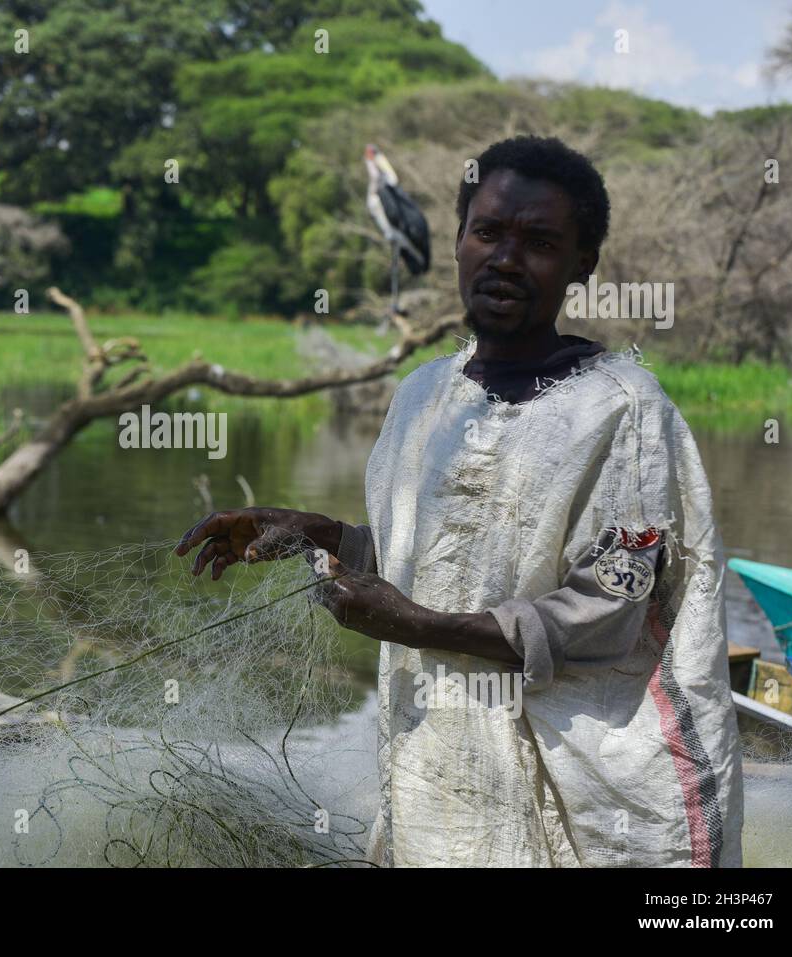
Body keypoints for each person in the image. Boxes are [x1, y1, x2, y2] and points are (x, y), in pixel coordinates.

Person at [176, 136, 743, 867]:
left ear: (582, 264)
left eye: (539, 241)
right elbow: (442, 557)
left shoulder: (622, 411)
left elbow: (606, 609)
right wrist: (317, 533)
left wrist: (416, 625)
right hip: (443, 764)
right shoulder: (424, 396)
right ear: (456, 242)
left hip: (584, 794)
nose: (506, 258)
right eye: (488, 232)